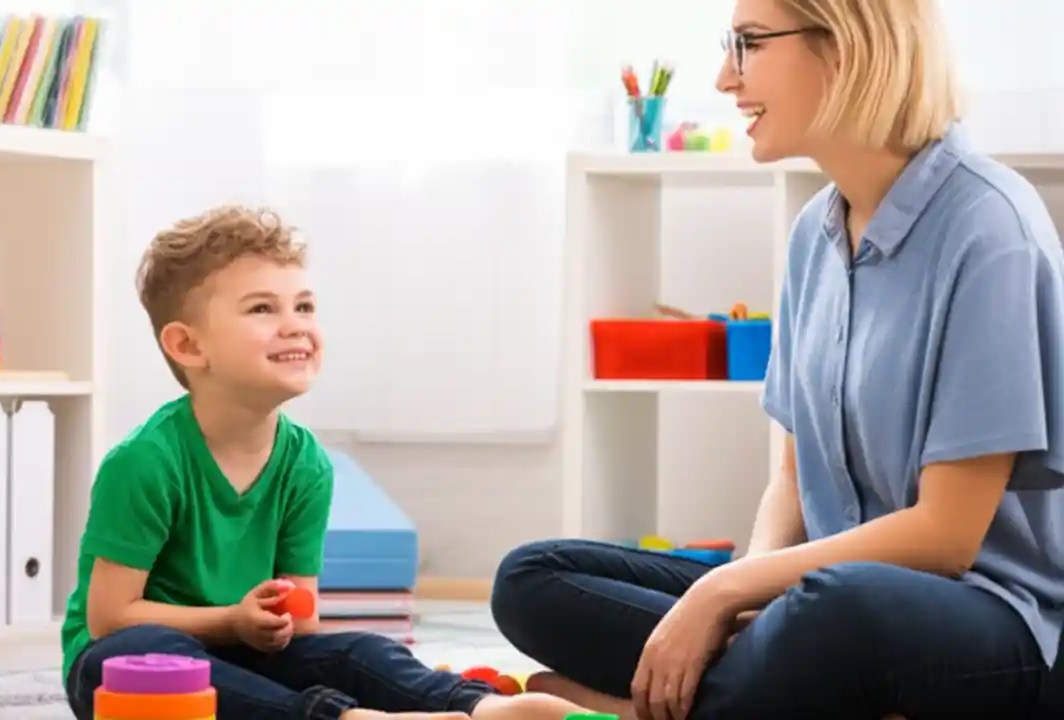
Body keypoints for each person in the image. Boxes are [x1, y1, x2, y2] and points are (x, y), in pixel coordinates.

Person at [490, 1, 1064, 719]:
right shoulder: (813, 235)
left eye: (749, 45)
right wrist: (742, 600)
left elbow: (946, 538)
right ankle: (768, 690)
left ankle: (636, 710)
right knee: (532, 578)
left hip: (989, 620)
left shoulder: (991, 232)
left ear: (848, 46)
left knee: (836, 610)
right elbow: (793, 476)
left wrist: (727, 590)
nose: (724, 77)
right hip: (819, 605)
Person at [59, 206, 594, 720]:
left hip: (242, 655)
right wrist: (230, 621)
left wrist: (272, 625)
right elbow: (110, 619)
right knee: (142, 652)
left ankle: (484, 707)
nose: (294, 325)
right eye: (262, 309)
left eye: (305, 307)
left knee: (357, 651)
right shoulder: (146, 460)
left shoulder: (306, 463)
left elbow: (303, 618)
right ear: (188, 345)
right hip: (133, 669)